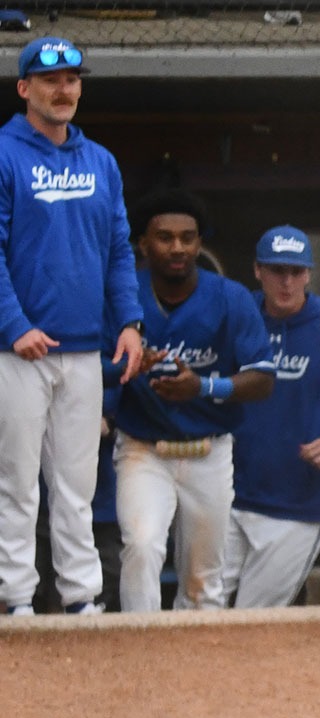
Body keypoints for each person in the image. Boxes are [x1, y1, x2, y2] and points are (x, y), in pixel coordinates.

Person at [0, 37, 145, 617]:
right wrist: (14, 324)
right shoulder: (5, 153)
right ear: (24, 88)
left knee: (76, 484)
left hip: (85, 347)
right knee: (16, 481)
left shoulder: (100, 160)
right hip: (19, 351)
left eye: (73, 80)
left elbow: (117, 250)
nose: (64, 90)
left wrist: (130, 322)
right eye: (51, 80)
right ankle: (14, 597)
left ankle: (81, 594)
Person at [115, 189, 276, 612]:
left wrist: (203, 387)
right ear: (143, 244)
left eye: (188, 237)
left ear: (200, 243)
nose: (177, 247)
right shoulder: (122, 294)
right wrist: (130, 366)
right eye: (164, 237)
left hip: (209, 450)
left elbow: (263, 379)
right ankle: (141, 650)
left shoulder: (230, 297)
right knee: (143, 545)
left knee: (204, 580)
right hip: (143, 449)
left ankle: (198, 672)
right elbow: (86, 367)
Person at [222, 226, 320, 608]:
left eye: (295, 271)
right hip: (225, 496)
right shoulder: (237, 315)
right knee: (197, 607)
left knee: (253, 620)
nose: (286, 282)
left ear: (309, 273)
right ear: (257, 270)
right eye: (276, 271)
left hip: (297, 505)